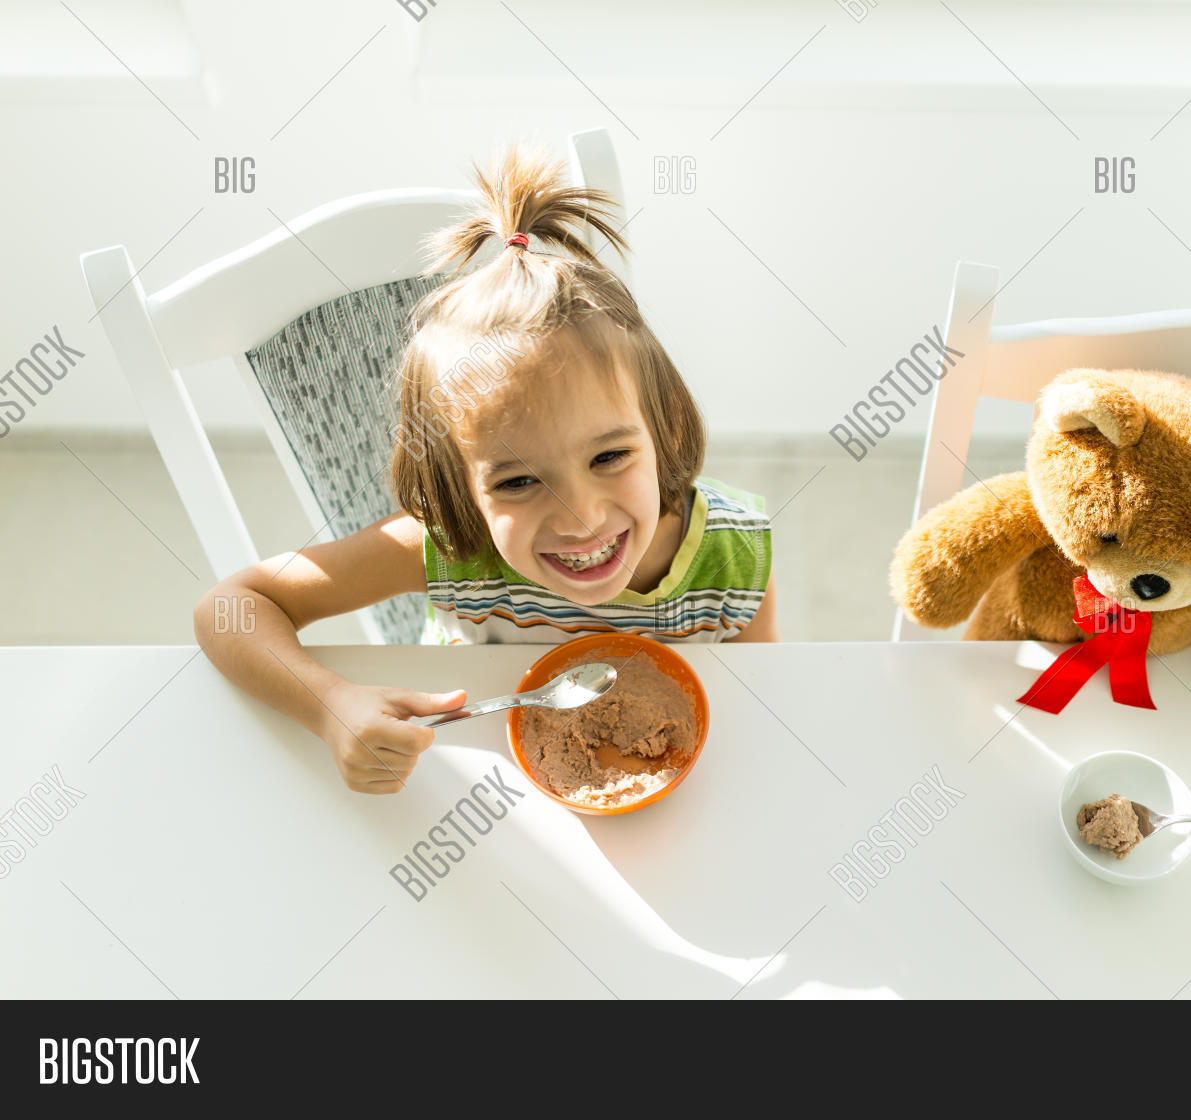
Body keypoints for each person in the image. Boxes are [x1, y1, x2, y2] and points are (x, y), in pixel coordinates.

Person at [195, 145, 777, 793]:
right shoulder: (450, 551)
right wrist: (332, 708)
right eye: (518, 481)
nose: (581, 516)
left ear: (665, 427)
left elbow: (766, 708)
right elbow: (231, 608)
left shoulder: (735, 557)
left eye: (609, 457)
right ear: (458, 490)